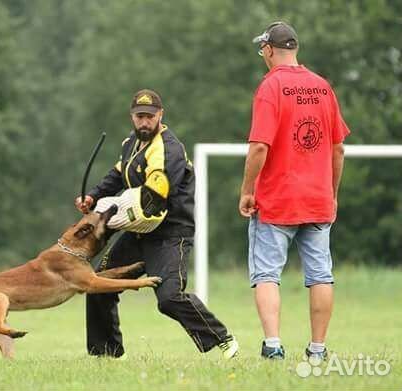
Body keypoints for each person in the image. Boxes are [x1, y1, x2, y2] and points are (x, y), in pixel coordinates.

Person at [75, 89, 238, 359]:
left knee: (169, 299)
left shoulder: (168, 149)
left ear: (160, 115)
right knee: (99, 284)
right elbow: (117, 175)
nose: (144, 122)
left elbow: (152, 201)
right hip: (140, 233)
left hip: (170, 235)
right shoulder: (131, 143)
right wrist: (93, 197)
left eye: (150, 117)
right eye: (139, 116)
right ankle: (107, 354)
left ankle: (222, 338)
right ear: (132, 117)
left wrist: (107, 218)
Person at [239, 22, 350, 360]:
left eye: (263, 49)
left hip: (277, 200)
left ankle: (273, 346)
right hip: (318, 198)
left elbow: (260, 146)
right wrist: (331, 193)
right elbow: (338, 149)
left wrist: (246, 190)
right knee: (321, 276)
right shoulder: (322, 87)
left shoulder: (270, 87)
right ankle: (318, 350)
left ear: (269, 50)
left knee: (267, 274)